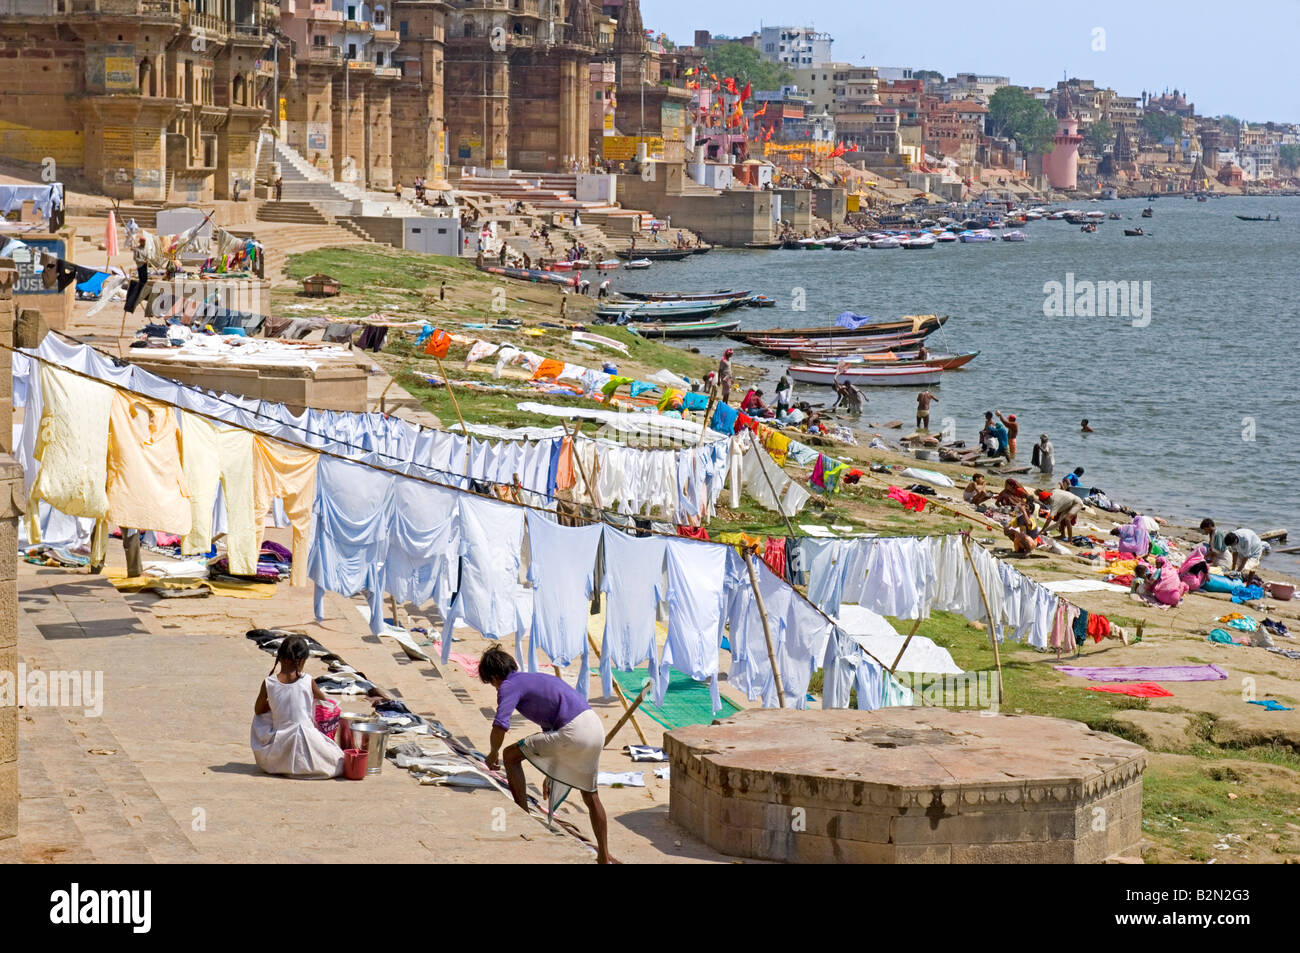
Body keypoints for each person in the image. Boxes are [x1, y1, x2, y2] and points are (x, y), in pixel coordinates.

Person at [479, 645, 616, 864]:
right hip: (594, 728)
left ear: (495, 677)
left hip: (573, 732)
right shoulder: (537, 679)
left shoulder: (509, 685)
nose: (496, 689)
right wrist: (552, 772)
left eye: (492, 684)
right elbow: (552, 734)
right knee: (591, 796)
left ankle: (523, 816)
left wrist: (493, 753)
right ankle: (604, 855)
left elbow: (500, 724)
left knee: (510, 755)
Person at [250, 635, 344, 779]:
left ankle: (282, 765)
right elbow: (324, 702)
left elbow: (258, 710)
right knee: (339, 762)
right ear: (301, 661)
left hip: (279, 748)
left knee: (263, 715)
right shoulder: (308, 681)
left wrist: (275, 703)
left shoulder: (268, 683)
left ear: (280, 657)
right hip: (307, 741)